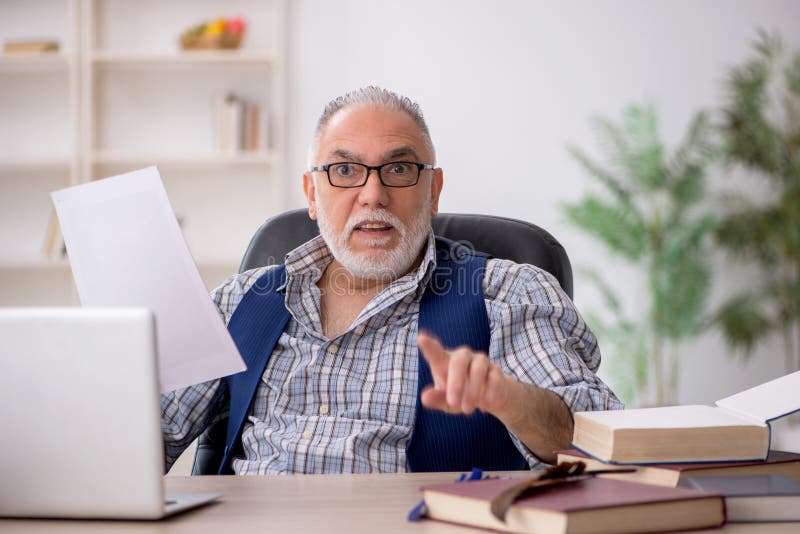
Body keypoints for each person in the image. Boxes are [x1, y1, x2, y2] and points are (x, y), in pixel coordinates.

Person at [161, 86, 622, 475]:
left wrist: (509, 398)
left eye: (398, 169)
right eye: (344, 170)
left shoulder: (509, 292)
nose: (373, 195)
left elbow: (595, 443)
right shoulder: (239, 301)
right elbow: (143, 439)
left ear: (434, 190)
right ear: (312, 194)